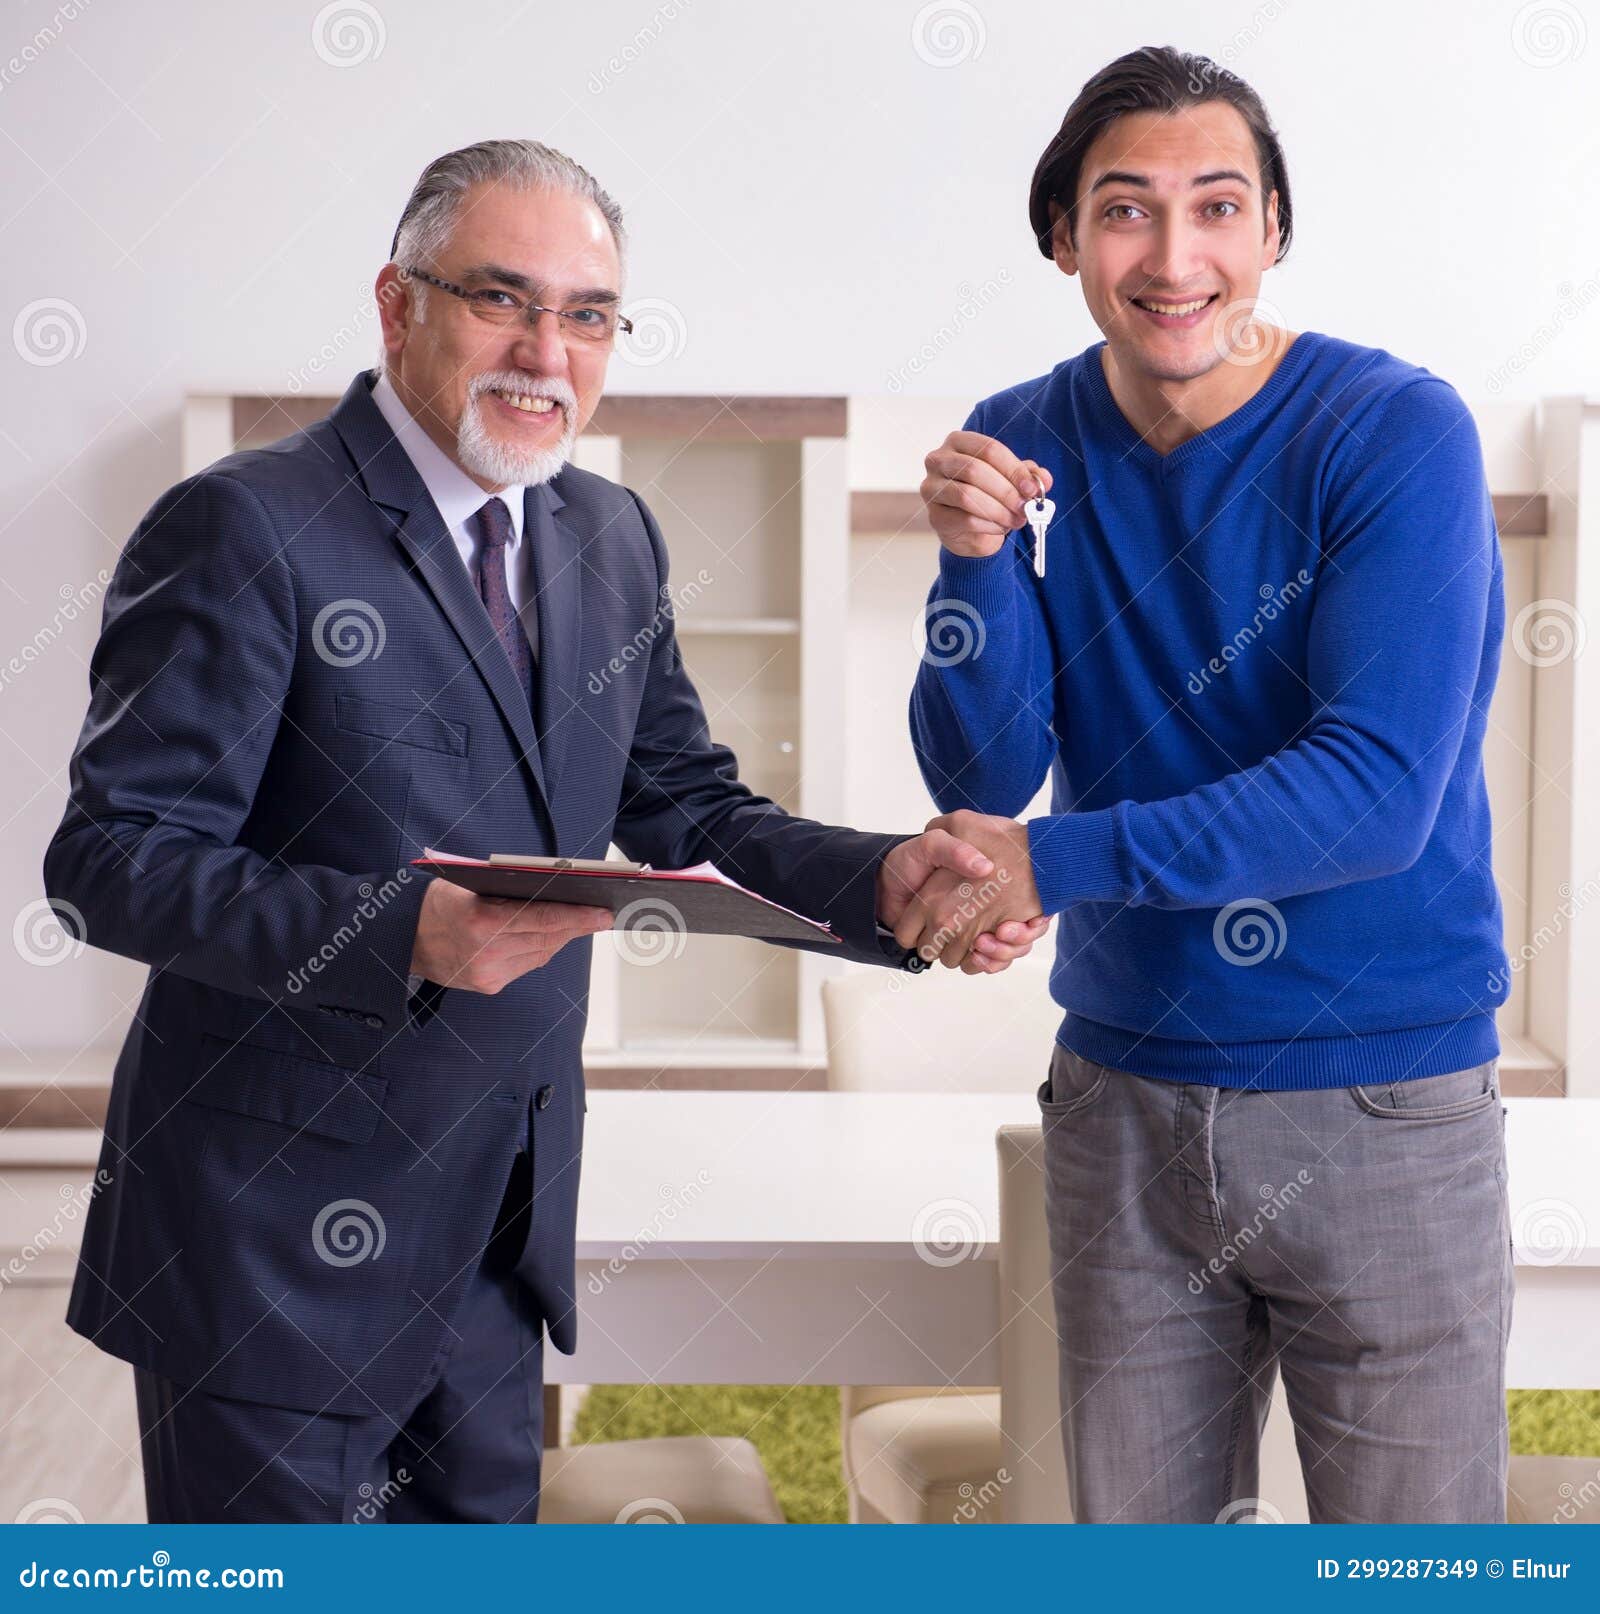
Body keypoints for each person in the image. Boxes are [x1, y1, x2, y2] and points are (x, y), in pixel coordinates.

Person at [42, 139, 1047, 1524]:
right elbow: (112, 859)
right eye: (499, 300)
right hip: (269, 1256)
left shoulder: (607, 534)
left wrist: (886, 878)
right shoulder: (247, 526)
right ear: (399, 305)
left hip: (495, 1240)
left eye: (586, 315)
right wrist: (405, 934)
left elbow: (689, 803)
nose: (545, 351)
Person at [901, 47, 1512, 1524]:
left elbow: (1373, 792)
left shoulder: (1392, 434)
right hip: (1126, 1097)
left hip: (1383, 1100)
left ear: (1273, 232)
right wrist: (973, 563)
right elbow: (984, 770)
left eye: (1218, 207)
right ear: (1062, 237)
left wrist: (1051, 863)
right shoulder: (1023, 435)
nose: (1175, 258)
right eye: (1125, 211)